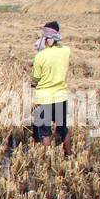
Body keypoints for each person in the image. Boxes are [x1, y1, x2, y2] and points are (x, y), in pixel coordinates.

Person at [31, 20, 71, 155]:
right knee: (63, 128)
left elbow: (35, 79)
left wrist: (34, 83)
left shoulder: (40, 56)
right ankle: (68, 154)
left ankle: (48, 158)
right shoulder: (66, 51)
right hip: (61, 96)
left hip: (44, 98)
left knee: (45, 132)